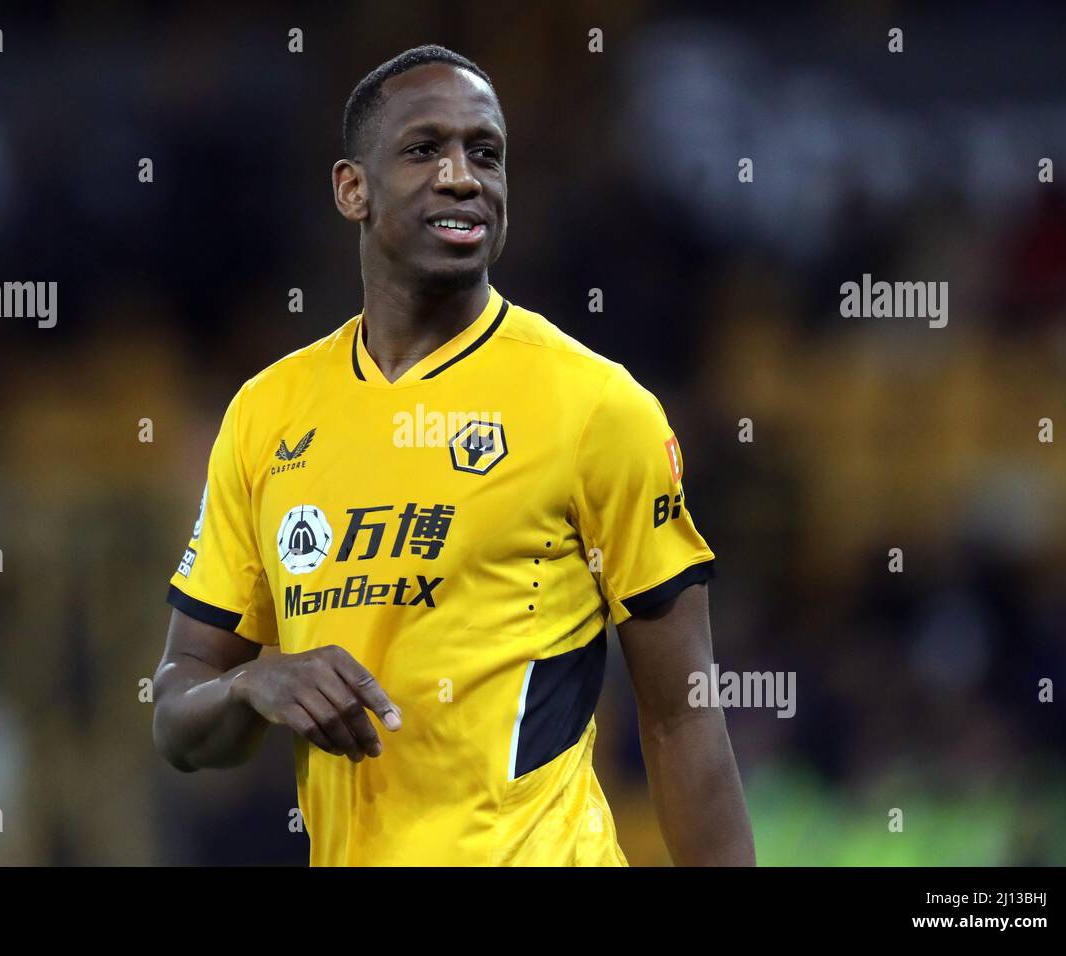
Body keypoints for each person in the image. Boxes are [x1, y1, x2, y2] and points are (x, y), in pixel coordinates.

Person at [152, 44, 754, 866]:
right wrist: (253, 684)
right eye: (424, 149)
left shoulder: (595, 406)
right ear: (350, 188)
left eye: (486, 152)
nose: (464, 176)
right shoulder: (267, 416)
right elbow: (181, 720)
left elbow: (683, 712)